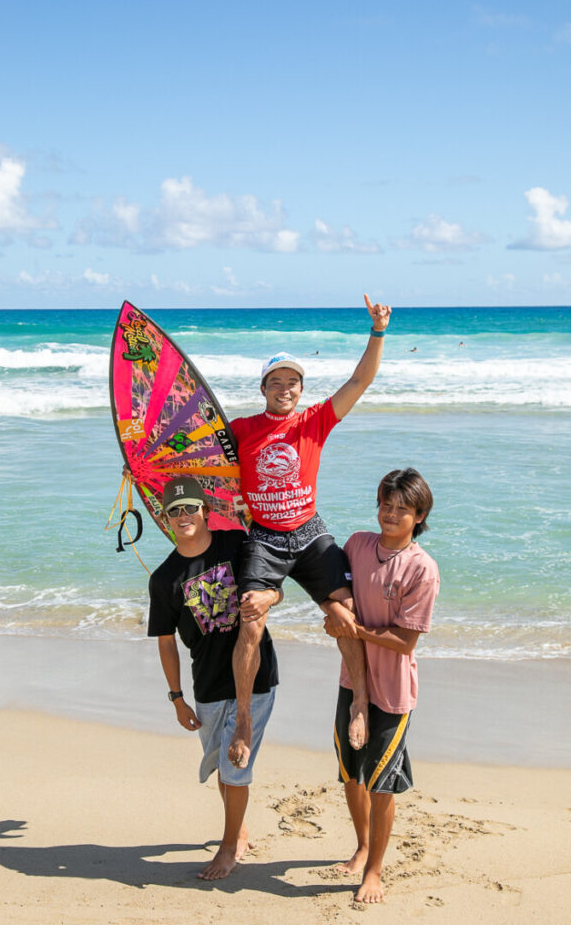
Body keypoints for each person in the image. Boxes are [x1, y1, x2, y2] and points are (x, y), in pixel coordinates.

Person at [227, 293, 392, 769]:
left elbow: (361, 380)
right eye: (276, 381)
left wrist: (377, 330)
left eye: (293, 381)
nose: (285, 388)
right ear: (263, 388)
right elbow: (192, 461)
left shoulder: (314, 421)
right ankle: (243, 719)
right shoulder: (239, 430)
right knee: (250, 621)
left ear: (301, 389)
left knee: (346, 613)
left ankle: (360, 700)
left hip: (310, 532)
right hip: (263, 537)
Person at [147, 476, 281, 880]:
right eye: (175, 510)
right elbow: (166, 642)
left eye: (190, 507)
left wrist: (270, 597)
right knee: (224, 767)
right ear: (166, 518)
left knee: (235, 763)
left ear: (205, 511)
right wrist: (176, 698)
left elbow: (274, 587)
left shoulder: (237, 545)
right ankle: (238, 831)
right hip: (205, 686)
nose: (183, 515)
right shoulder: (163, 578)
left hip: (255, 677)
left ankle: (229, 848)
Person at [325, 468, 439, 904]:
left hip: (392, 693)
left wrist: (352, 628)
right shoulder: (357, 544)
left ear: (419, 515)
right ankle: (361, 847)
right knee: (351, 774)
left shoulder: (422, 569)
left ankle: (374, 870)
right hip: (351, 682)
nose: (390, 514)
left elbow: (404, 640)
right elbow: (326, 580)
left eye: (401, 509)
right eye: (385, 505)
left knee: (380, 783)